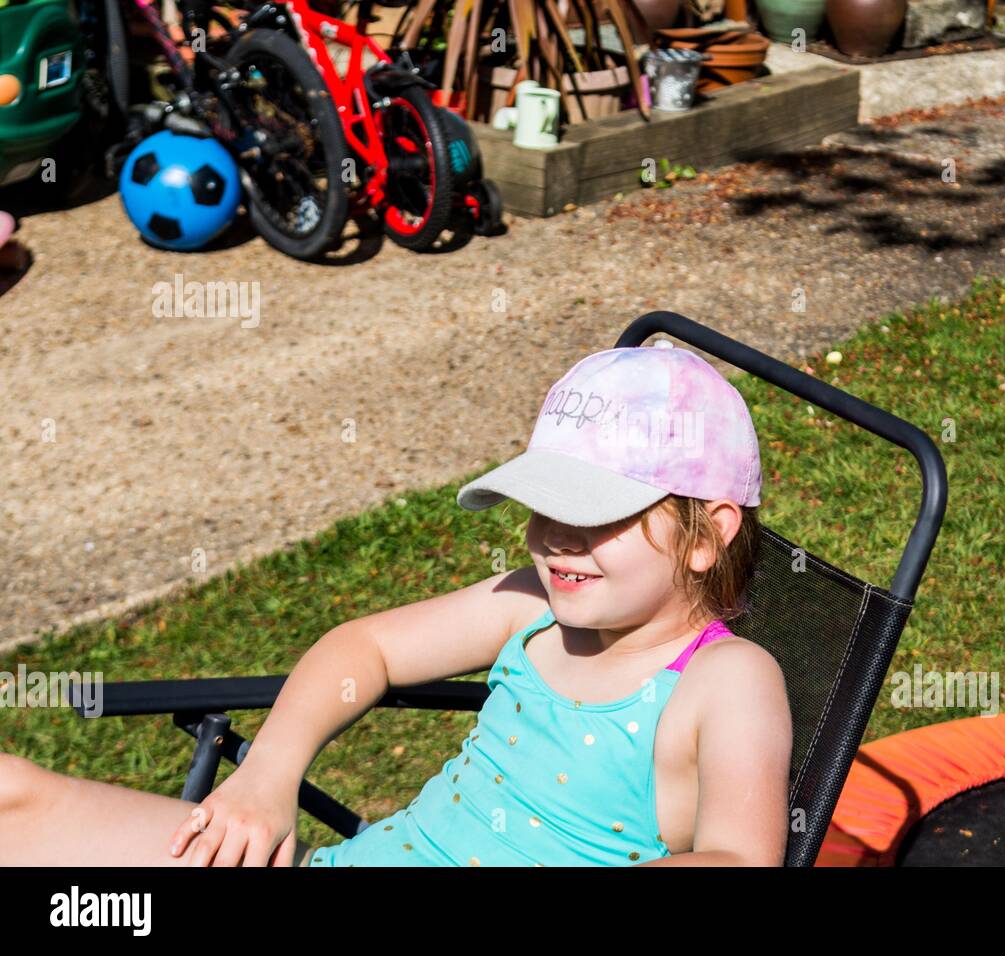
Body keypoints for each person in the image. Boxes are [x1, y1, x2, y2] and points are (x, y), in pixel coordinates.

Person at [0, 343, 793, 866]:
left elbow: (739, 859)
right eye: (545, 510)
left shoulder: (727, 680)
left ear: (705, 536)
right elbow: (365, 651)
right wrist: (266, 778)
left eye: (595, 517)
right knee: (14, 796)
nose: (557, 541)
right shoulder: (532, 609)